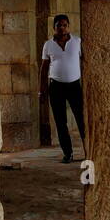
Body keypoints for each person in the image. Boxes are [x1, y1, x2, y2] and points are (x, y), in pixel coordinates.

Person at [38, 14, 84, 163]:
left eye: (64, 25)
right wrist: (41, 90)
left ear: (68, 27)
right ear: (54, 28)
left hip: (74, 86)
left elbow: (85, 63)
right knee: (60, 121)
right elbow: (44, 69)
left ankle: (89, 151)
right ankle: (68, 153)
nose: (62, 28)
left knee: (81, 119)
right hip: (56, 86)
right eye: (59, 25)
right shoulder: (48, 45)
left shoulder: (77, 42)